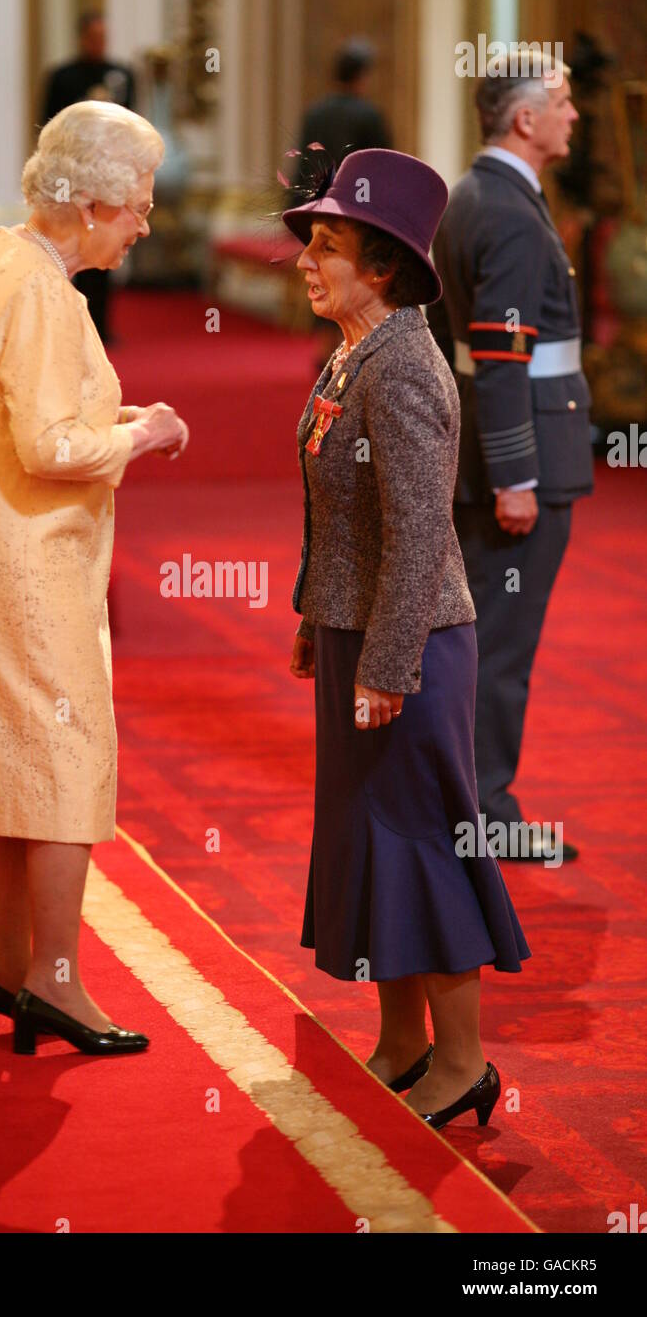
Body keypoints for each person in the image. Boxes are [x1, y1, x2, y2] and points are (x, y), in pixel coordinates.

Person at [0, 100, 188, 1057]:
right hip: (22, 562)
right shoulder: (45, 292)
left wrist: (118, 412)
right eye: (137, 203)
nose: (145, 222)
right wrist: (145, 433)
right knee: (62, 759)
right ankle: (55, 982)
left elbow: (35, 408)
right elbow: (54, 443)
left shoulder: (1, 260)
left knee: (14, 758)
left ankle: (5, 968)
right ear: (90, 203)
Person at [282, 148, 530, 1129]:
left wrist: (386, 660)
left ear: (380, 265)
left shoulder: (406, 367)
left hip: (412, 649)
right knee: (369, 840)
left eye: (327, 242)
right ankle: (398, 1040)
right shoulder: (353, 350)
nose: (304, 256)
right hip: (359, 633)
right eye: (309, 237)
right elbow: (341, 514)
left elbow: (422, 530)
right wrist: (316, 615)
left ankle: (462, 1062)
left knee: (420, 843)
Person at [426, 50, 593, 863]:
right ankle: (483, 811)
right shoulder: (513, 214)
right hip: (518, 463)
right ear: (525, 119)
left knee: (482, 638)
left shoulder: (474, 197)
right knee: (500, 649)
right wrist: (518, 477)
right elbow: (501, 358)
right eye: (562, 103)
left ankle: (467, 800)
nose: (574, 115)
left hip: (490, 455)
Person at [292, 39, 392, 373]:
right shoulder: (369, 115)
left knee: (321, 271)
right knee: (351, 275)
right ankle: (347, 349)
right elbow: (381, 167)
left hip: (318, 207)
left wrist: (297, 206)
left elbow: (304, 163)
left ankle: (325, 350)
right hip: (356, 212)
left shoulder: (316, 112)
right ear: (362, 75)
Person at [41, 11, 137, 344]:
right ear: (82, 37)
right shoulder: (62, 77)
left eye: (103, 37)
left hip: (111, 180)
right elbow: (50, 129)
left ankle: (101, 326)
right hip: (75, 179)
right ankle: (73, 325)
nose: (98, 43)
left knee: (107, 251)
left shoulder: (122, 74)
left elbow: (132, 128)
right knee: (75, 252)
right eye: (93, 36)